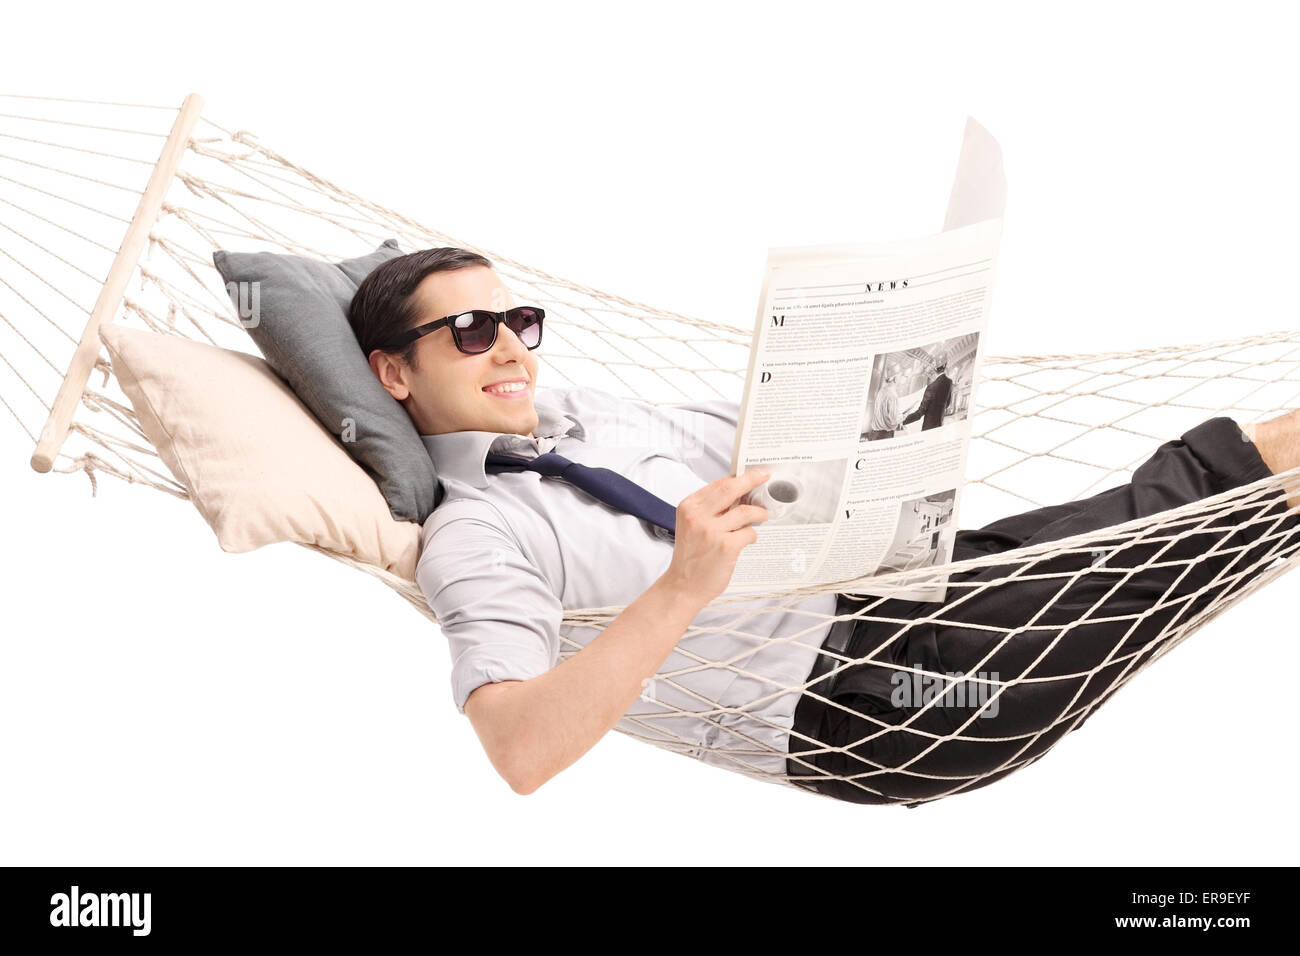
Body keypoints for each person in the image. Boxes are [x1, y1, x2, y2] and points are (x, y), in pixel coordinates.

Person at [347, 247, 1300, 802]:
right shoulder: (475, 534)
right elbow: (519, 749)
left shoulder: (586, 414)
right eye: (470, 332)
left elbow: (761, 439)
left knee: (1212, 475)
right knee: (1202, 517)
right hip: (873, 703)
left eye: (517, 321)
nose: (509, 346)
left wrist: (881, 366)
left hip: (893, 579)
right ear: (394, 374)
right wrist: (683, 585)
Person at [900, 352, 954, 431]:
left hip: (929, 427)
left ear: (934, 368)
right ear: (945, 365)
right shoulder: (949, 382)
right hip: (939, 424)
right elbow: (948, 404)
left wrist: (903, 421)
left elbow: (920, 413)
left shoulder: (931, 387)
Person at [864, 363, 902, 441]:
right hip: (884, 436)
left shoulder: (882, 390)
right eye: (900, 376)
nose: (900, 378)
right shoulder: (892, 395)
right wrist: (902, 416)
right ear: (895, 378)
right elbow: (893, 420)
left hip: (874, 434)